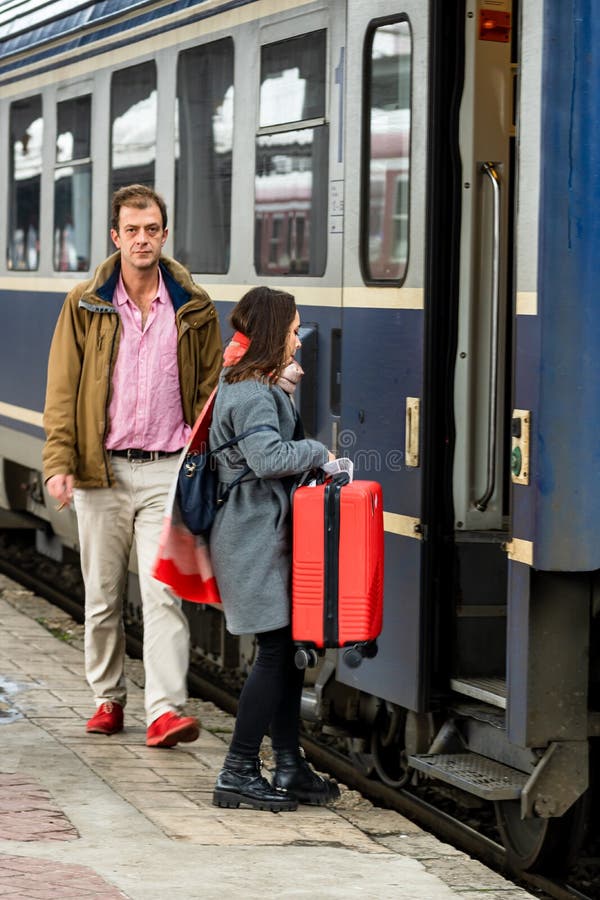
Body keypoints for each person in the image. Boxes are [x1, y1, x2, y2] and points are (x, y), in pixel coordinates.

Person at [42, 184, 222, 747]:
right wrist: (58, 462)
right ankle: (107, 697)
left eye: (152, 229)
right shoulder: (85, 303)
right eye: (132, 230)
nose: (142, 239)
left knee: (163, 591)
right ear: (116, 237)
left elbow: (212, 390)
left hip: (167, 470)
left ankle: (165, 710)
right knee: (101, 596)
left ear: (164, 235)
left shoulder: (194, 308)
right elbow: (63, 389)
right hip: (103, 470)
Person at [209, 286, 340, 812]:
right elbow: (266, 459)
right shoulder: (249, 392)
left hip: (262, 534)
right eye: (292, 331)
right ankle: (238, 769)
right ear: (272, 332)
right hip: (250, 538)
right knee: (275, 654)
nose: (298, 341)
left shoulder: (256, 385)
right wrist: (319, 451)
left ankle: (289, 765)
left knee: (286, 654)